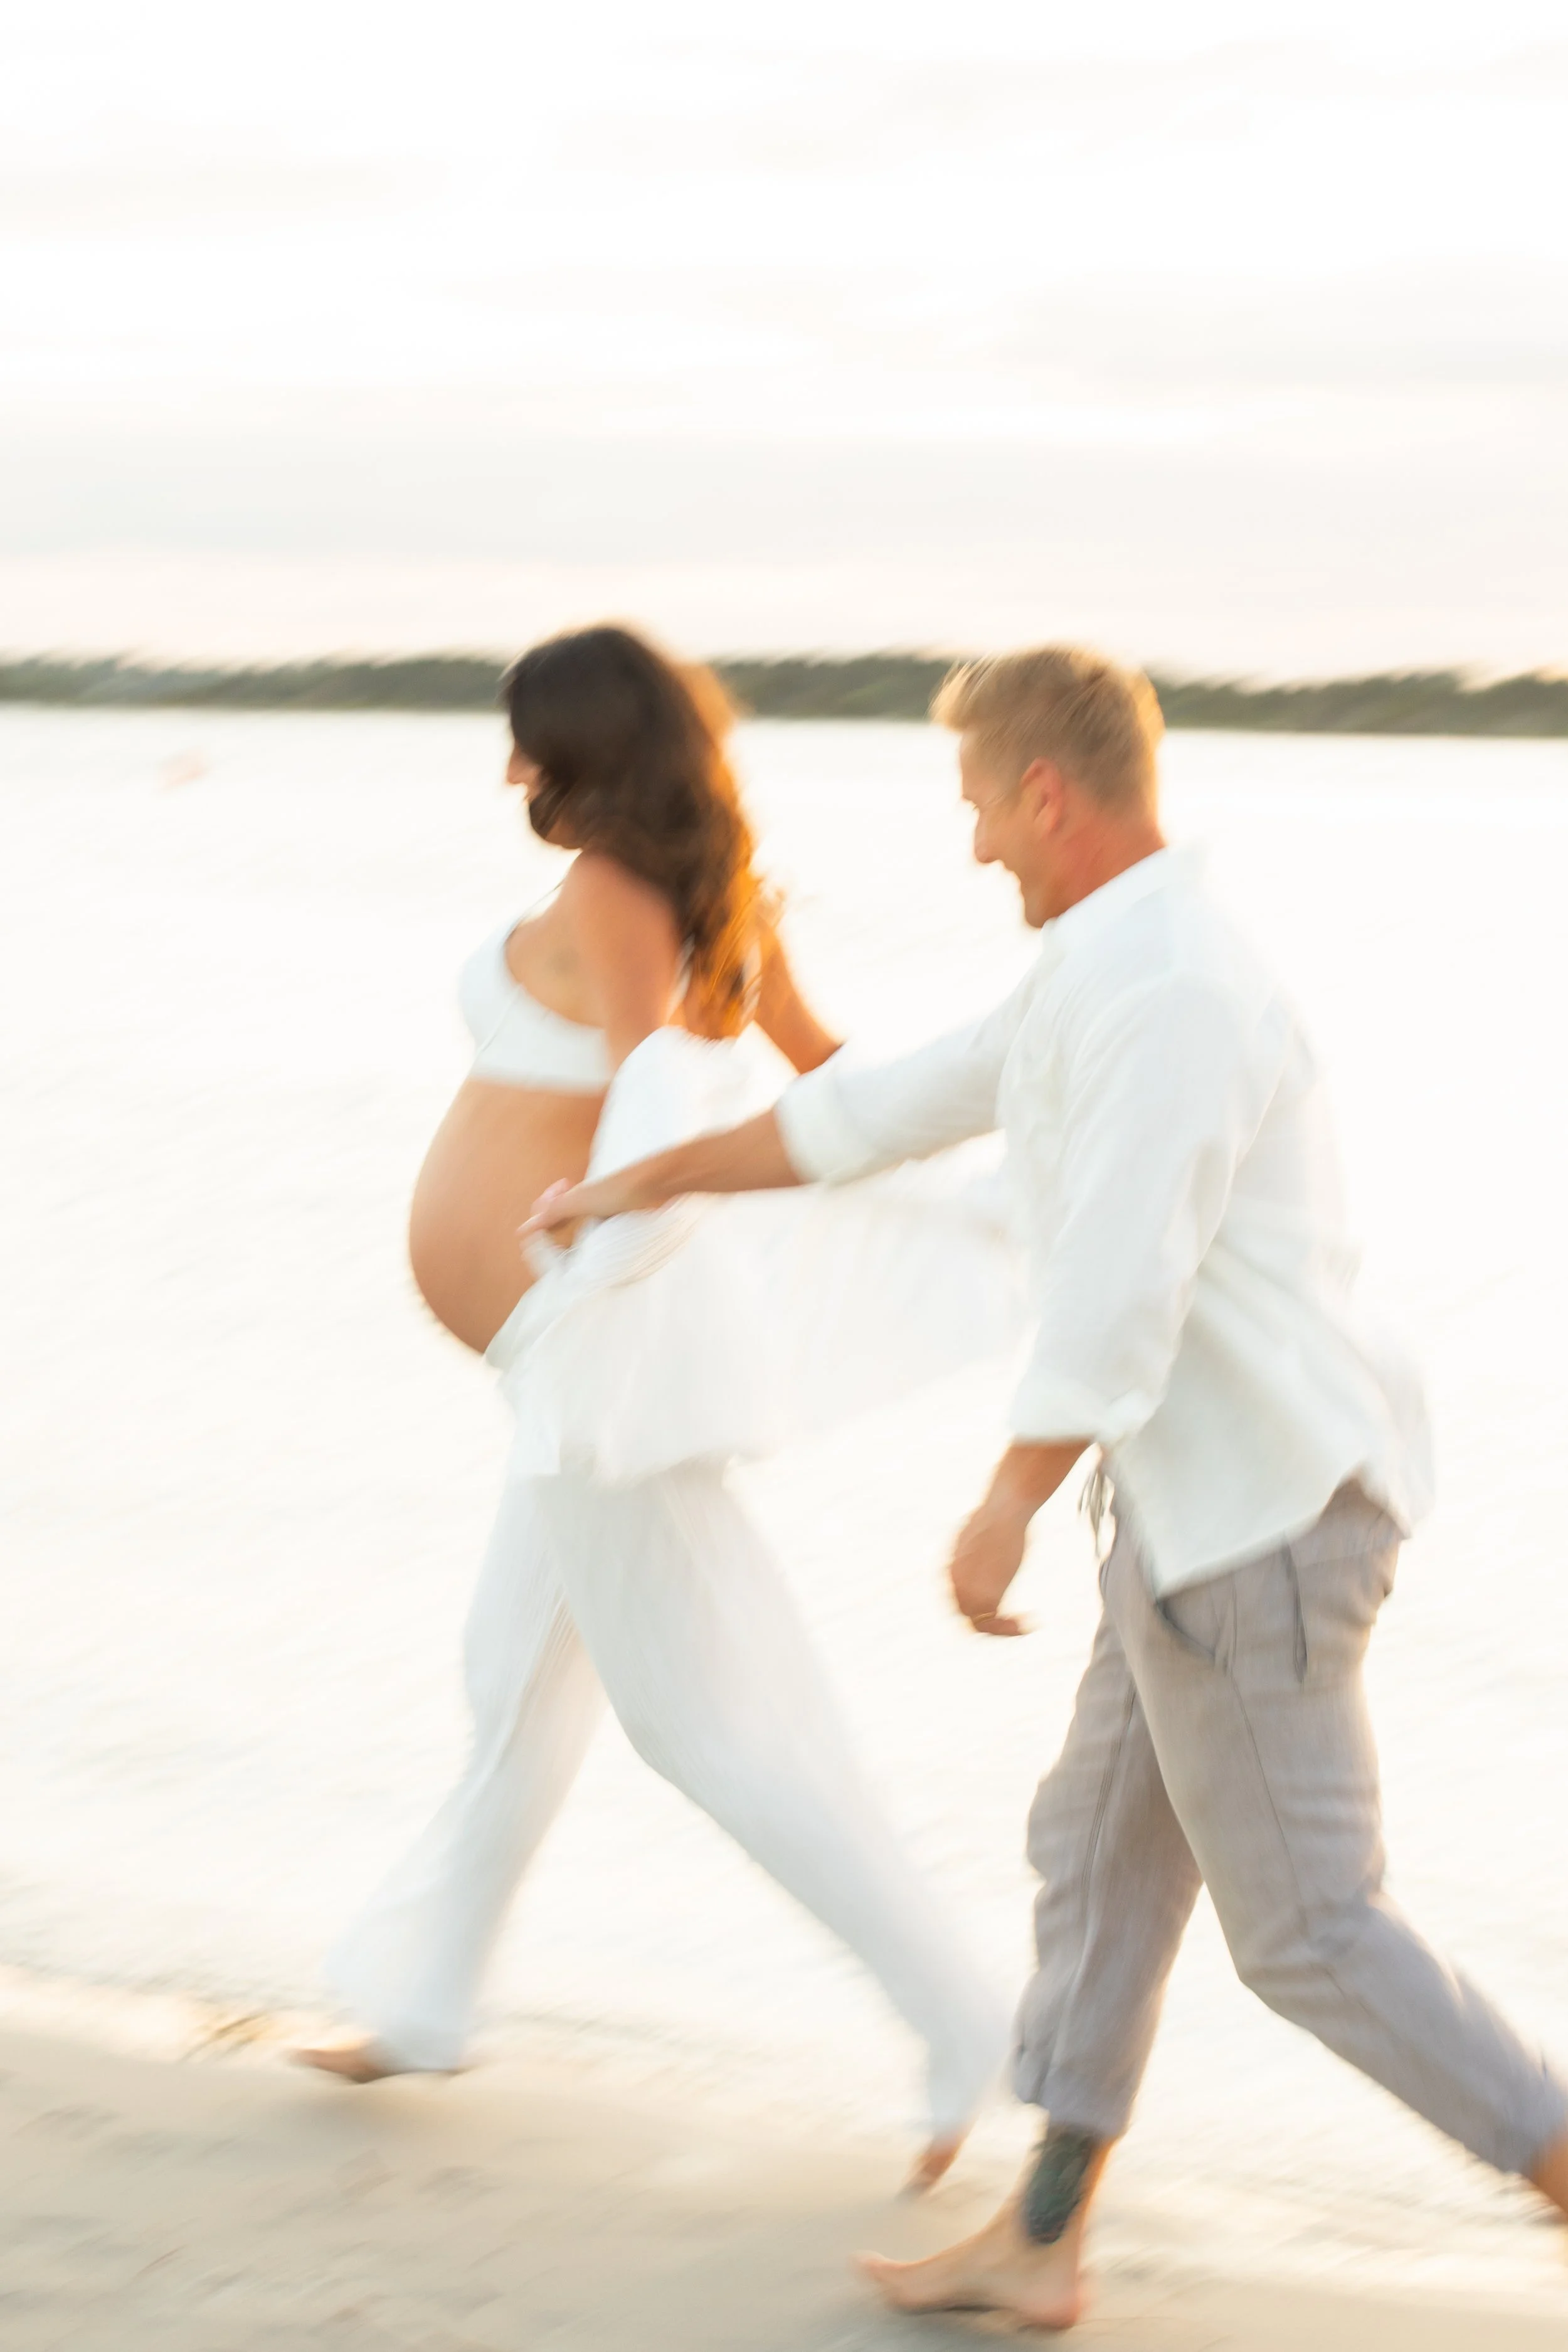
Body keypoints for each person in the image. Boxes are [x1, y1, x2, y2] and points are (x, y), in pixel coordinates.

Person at [526, 643, 1568, 2326]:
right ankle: (1040, 2233)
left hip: (1266, 1514)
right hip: (1195, 1510)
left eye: (976, 810)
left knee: (1305, 1926)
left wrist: (1008, 1489)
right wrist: (640, 1178)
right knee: (1093, 1852)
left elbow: (1115, 1285)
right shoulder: (1100, 965)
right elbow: (866, 1111)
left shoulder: (1169, 989)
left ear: (1047, 793)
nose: (972, 849)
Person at [295, 623, 1012, 2189]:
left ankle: (972, 2032)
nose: (508, 772)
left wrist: (603, 1256)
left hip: (584, 1356)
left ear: (583, 756)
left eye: (526, 746)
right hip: (562, 1357)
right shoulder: (709, 894)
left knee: (706, 1726)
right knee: (513, 1682)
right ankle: (421, 2002)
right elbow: (827, 1075)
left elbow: (657, 1096)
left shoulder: (618, 894)